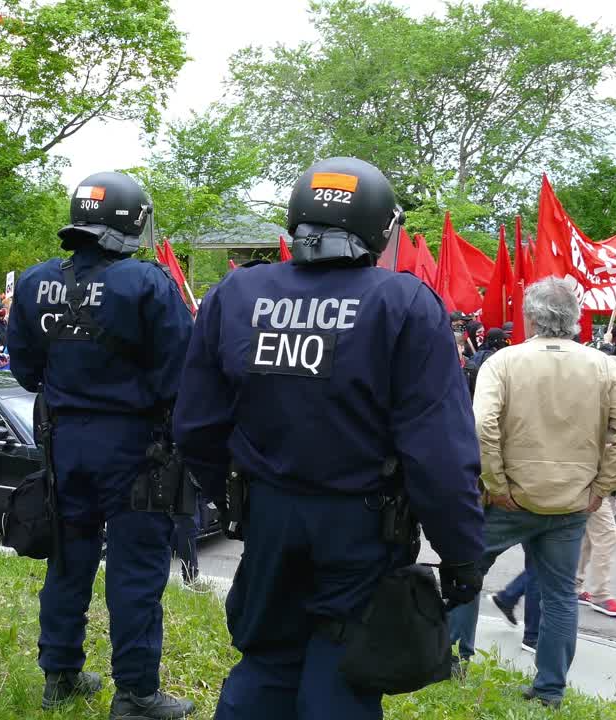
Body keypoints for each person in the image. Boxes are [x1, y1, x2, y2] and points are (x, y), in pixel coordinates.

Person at [173, 157, 485, 720]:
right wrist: (462, 554)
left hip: (269, 512)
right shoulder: (406, 303)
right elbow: (439, 453)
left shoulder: (235, 295)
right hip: (361, 526)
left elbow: (195, 425)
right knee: (342, 669)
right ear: (379, 228)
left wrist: (236, 497)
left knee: (267, 658)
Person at [8, 171, 196, 718]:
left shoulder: (36, 281)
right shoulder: (148, 282)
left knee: (68, 560)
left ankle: (60, 672)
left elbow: (23, 370)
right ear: (131, 220)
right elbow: (178, 376)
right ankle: (136, 692)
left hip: (63, 441)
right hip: (134, 447)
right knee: (135, 569)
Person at [453, 276, 616, 709]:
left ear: (530, 315)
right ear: (576, 318)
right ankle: (549, 690)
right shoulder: (602, 366)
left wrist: (496, 483)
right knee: (560, 596)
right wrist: (602, 486)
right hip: (572, 500)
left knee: (465, 574)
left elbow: (481, 426)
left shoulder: (502, 362)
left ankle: (454, 664)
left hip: (510, 497)